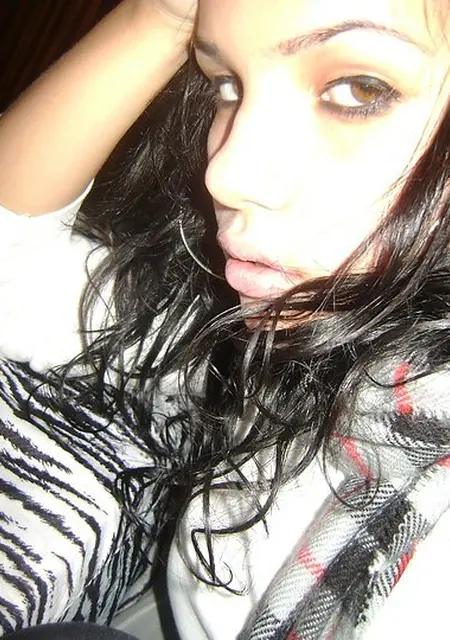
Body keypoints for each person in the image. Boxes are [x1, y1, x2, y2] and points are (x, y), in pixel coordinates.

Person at [1, 0, 450, 638]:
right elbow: (12, 266)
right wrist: (159, 16)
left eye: (359, 89)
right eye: (227, 85)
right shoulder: (276, 340)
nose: (225, 174)